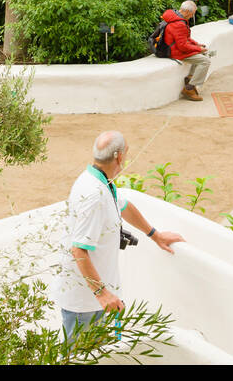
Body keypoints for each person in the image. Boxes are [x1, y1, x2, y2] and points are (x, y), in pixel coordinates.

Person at [56, 130, 184, 346]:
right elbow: (78, 250)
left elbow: (123, 206)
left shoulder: (99, 181)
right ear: (119, 157)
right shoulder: (94, 195)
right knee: (81, 358)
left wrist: (155, 235)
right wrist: (102, 294)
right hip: (87, 305)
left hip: (100, 302)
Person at [162, 0, 215, 101]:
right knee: (205, 61)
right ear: (186, 12)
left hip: (175, 47)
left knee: (203, 54)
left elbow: (185, 37)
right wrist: (198, 49)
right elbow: (182, 46)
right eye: (192, 14)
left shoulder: (176, 17)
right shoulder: (178, 24)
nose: (192, 16)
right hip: (175, 51)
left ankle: (190, 79)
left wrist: (197, 45)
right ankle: (189, 88)